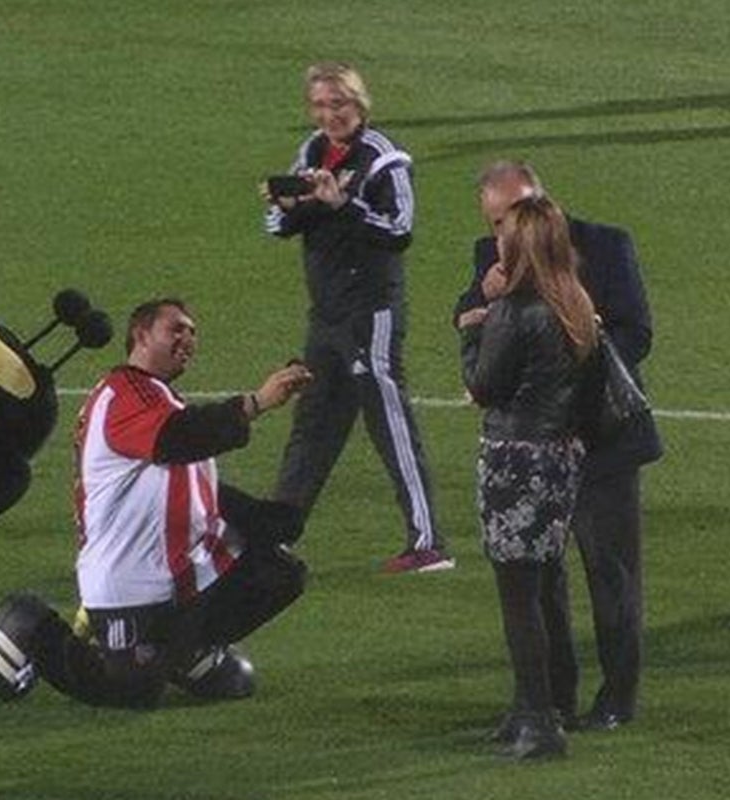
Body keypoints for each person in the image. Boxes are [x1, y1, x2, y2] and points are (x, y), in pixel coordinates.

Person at [0, 299, 313, 708]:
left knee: (278, 572)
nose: (188, 338)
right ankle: (29, 628)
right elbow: (180, 438)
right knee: (134, 692)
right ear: (142, 335)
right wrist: (256, 402)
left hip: (180, 577)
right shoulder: (123, 394)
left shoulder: (161, 401)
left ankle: (181, 652)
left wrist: (262, 517)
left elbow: (195, 487)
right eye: (176, 329)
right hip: (127, 585)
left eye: (193, 332)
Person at [455, 161, 661, 731]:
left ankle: (618, 699)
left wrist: (562, 363)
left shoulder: (605, 246)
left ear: (543, 204)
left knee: (610, 573)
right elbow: (469, 314)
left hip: (600, 441)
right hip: (539, 448)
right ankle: (551, 699)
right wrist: (488, 299)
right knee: (540, 578)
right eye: (495, 223)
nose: (503, 236)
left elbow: (635, 332)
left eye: (512, 218)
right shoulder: (489, 257)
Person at [262, 62, 452, 573]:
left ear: (359, 106)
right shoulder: (311, 151)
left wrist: (341, 203)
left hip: (373, 311)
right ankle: (275, 537)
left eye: (338, 105)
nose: (329, 115)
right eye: (321, 105)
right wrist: (292, 203)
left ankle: (429, 541)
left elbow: (399, 230)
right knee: (313, 424)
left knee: (389, 421)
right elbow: (277, 225)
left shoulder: (386, 160)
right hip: (325, 314)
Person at [459, 195, 599, 759]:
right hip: (559, 457)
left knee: (519, 595)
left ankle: (539, 722)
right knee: (545, 586)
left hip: (516, 460)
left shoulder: (517, 309)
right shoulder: (575, 301)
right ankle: (540, 704)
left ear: (518, 247)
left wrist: (473, 328)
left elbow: (483, 386)